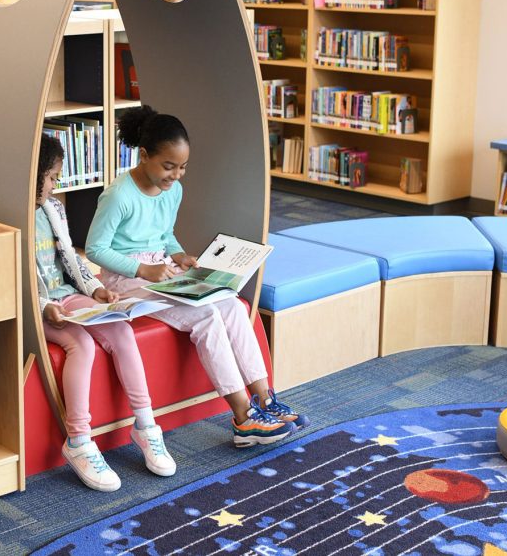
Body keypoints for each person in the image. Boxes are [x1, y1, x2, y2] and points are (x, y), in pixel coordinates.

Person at [85, 106, 308, 448]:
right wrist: (143, 269)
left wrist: (179, 255)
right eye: (168, 166)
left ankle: (265, 398)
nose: (176, 175)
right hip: (125, 279)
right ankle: (243, 417)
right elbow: (95, 249)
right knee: (205, 315)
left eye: (183, 167)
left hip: (162, 270)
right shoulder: (118, 195)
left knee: (231, 303)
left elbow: (165, 234)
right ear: (143, 155)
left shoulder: (172, 190)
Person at [35, 133, 175, 492]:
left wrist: (95, 289)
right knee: (81, 345)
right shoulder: (11, 216)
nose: (55, 185)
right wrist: (44, 307)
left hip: (68, 296)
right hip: (39, 307)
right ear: (34, 175)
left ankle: (146, 425)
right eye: (51, 177)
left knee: (121, 329)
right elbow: (13, 281)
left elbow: (71, 259)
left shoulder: (53, 209)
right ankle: (79, 440)